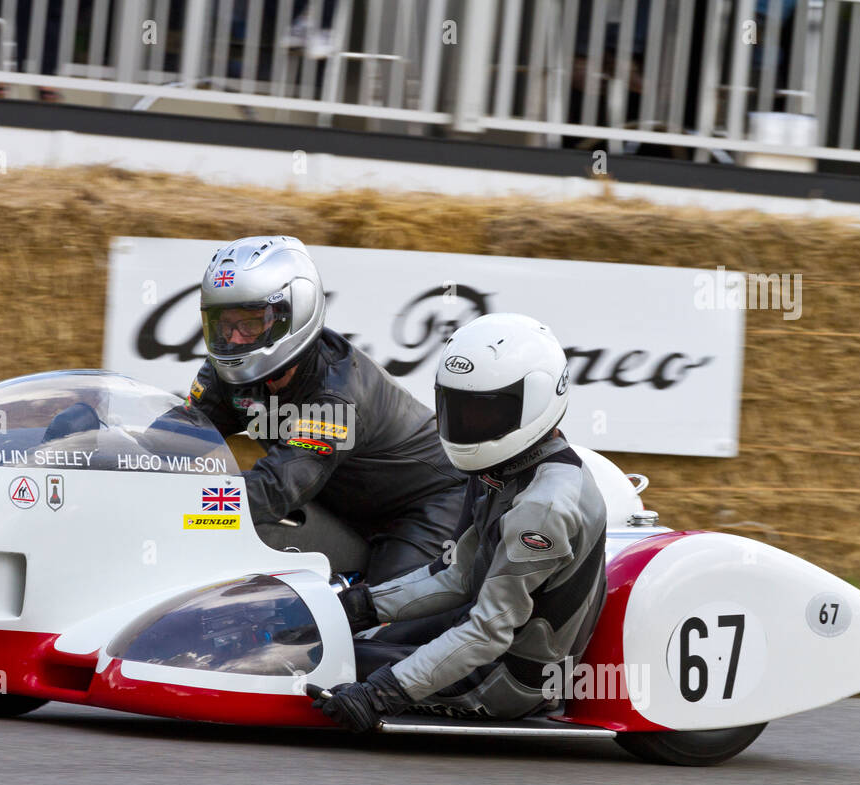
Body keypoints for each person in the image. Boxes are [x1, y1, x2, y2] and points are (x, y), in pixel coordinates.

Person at [318, 313, 609, 731]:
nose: (466, 425)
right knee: (336, 638)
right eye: (458, 407)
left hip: (511, 678)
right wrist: (362, 606)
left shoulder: (542, 505)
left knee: (322, 664)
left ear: (539, 401)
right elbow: (457, 575)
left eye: (483, 412)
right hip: (477, 634)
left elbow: (489, 632)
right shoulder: (503, 466)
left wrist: (383, 693)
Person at [185, 235, 466, 584]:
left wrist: (190, 507)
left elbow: (275, 489)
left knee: (380, 621)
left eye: (250, 323)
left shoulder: (336, 395)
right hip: (337, 500)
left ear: (293, 314)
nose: (235, 339)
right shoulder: (226, 371)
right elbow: (178, 437)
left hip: (426, 505)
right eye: (224, 325)